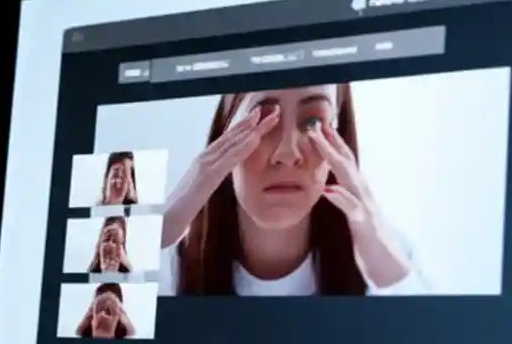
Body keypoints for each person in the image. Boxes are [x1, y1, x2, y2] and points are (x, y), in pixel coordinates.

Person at [159, 84, 426, 296]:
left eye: (313, 123)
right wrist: (156, 231)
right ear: (224, 136)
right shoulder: (167, 262)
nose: (287, 153)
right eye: (265, 121)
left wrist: (389, 276)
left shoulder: (392, 257)